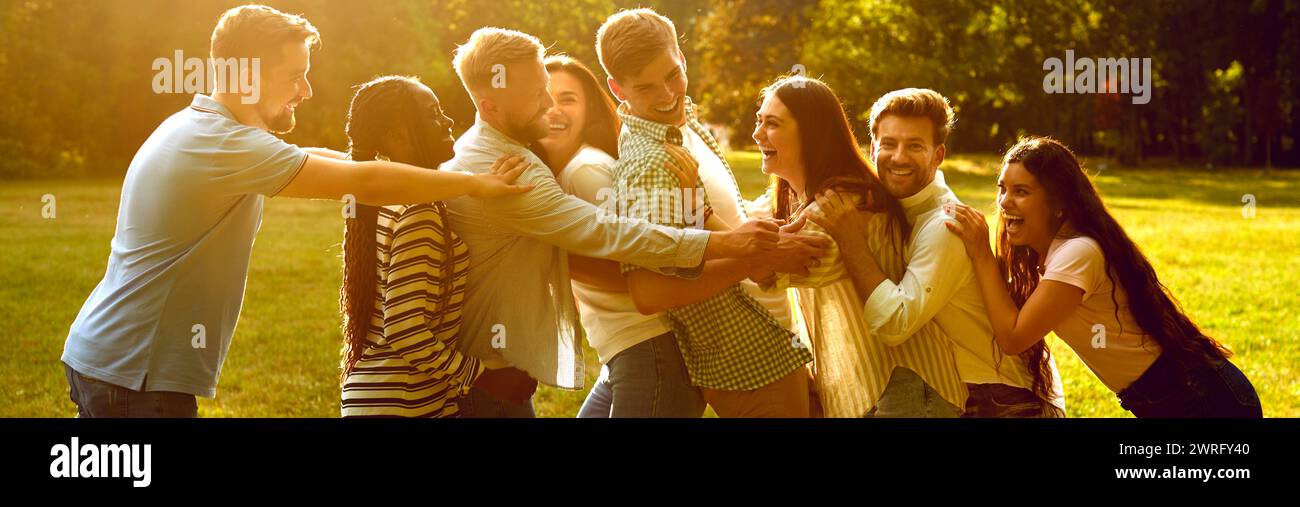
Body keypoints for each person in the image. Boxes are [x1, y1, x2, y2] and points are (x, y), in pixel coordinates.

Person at [60, 5, 532, 418]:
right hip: (137, 377)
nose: (305, 90)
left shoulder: (198, 128)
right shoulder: (223, 144)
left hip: (108, 360)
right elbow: (363, 181)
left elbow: (332, 160)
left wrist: (446, 170)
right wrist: (476, 185)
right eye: (294, 75)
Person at [440, 27, 814, 417]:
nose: (550, 105)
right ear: (490, 108)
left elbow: (616, 255)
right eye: (538, 96)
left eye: (552, 90)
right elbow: (610, 237)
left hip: (638, 346)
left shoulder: (535, 160)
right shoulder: (513, 170)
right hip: (506, 368)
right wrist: (736, 250)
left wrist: (739, 241)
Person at [599, 8, 827, 417]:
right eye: (646, 87)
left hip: (775, 337)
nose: (668, 95)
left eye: (672, 75)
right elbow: (649, 294)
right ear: (617, 88)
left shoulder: (683, 125)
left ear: (682, 59)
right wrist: (759, 258)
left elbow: (713, 223)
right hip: (744, 360)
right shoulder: (649, 165)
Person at [943, 136, 1262, 418]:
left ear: (1059, 202)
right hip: (1166, 399)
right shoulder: (1049, 255)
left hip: (1204, 399)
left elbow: (1013, 337)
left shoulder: (1078, 253)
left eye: (1021, 191)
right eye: (1002, 189)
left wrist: (981, 254)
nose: (1004, 201)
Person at [807, 88, 1065, 417]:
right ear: (872, 149)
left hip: (1004, 401)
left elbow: (895, 324)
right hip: (969, 394)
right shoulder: (893, 209)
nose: (898, 157)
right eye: (888, 144)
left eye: (914, 146)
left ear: (938, 154)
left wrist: (851, 241)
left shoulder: (947, 226)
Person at [753, 75, 967, 418]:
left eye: (772, 123)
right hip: (877, 393)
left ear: (809, 133)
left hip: (905, 395)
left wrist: (700, 233)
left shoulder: (841, 204)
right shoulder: (803, 197)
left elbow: (762, 266)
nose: (757, 134)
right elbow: (745, 221)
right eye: (759, 120)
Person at [338, 76, 537, 417]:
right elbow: (404, 330)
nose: (447, 120)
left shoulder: (385, 199)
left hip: (378, 396)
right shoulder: (419, 213)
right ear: (397, 135)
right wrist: (484, 376)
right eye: (433, 113)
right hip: (402, 401)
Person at [531, 56, 704, 417]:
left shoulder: (586, 171)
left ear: (589, 110)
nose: (554, 110)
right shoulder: (564, 172)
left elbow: (639, 272)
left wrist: (554, 261)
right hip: (628, 351)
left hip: (650, 347)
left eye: (568, 99)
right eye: (544, 98)